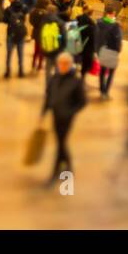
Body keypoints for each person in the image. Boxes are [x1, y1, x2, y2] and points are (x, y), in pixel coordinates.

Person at [41, 51, 87, 182]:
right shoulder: (54, 79)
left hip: (67, 117)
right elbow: (48, 97)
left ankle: (56, 171)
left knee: (61, 142)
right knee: (61, 142)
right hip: (56, 115)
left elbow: (82, 102)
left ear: (70, 65)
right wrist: (43, 113)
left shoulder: (76, 81)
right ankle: (67, 164)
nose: (62, 66)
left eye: (65, 64)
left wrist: (70, 111)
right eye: (60, 63)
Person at [3, 0, 28, 79]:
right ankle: (21, 71)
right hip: (21, 34)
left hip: (11, 33)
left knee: (9, 54)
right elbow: (24, 19)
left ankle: (7, 71)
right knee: (20, 54)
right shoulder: (24, 9)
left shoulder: (8, 10)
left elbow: (4, 20)